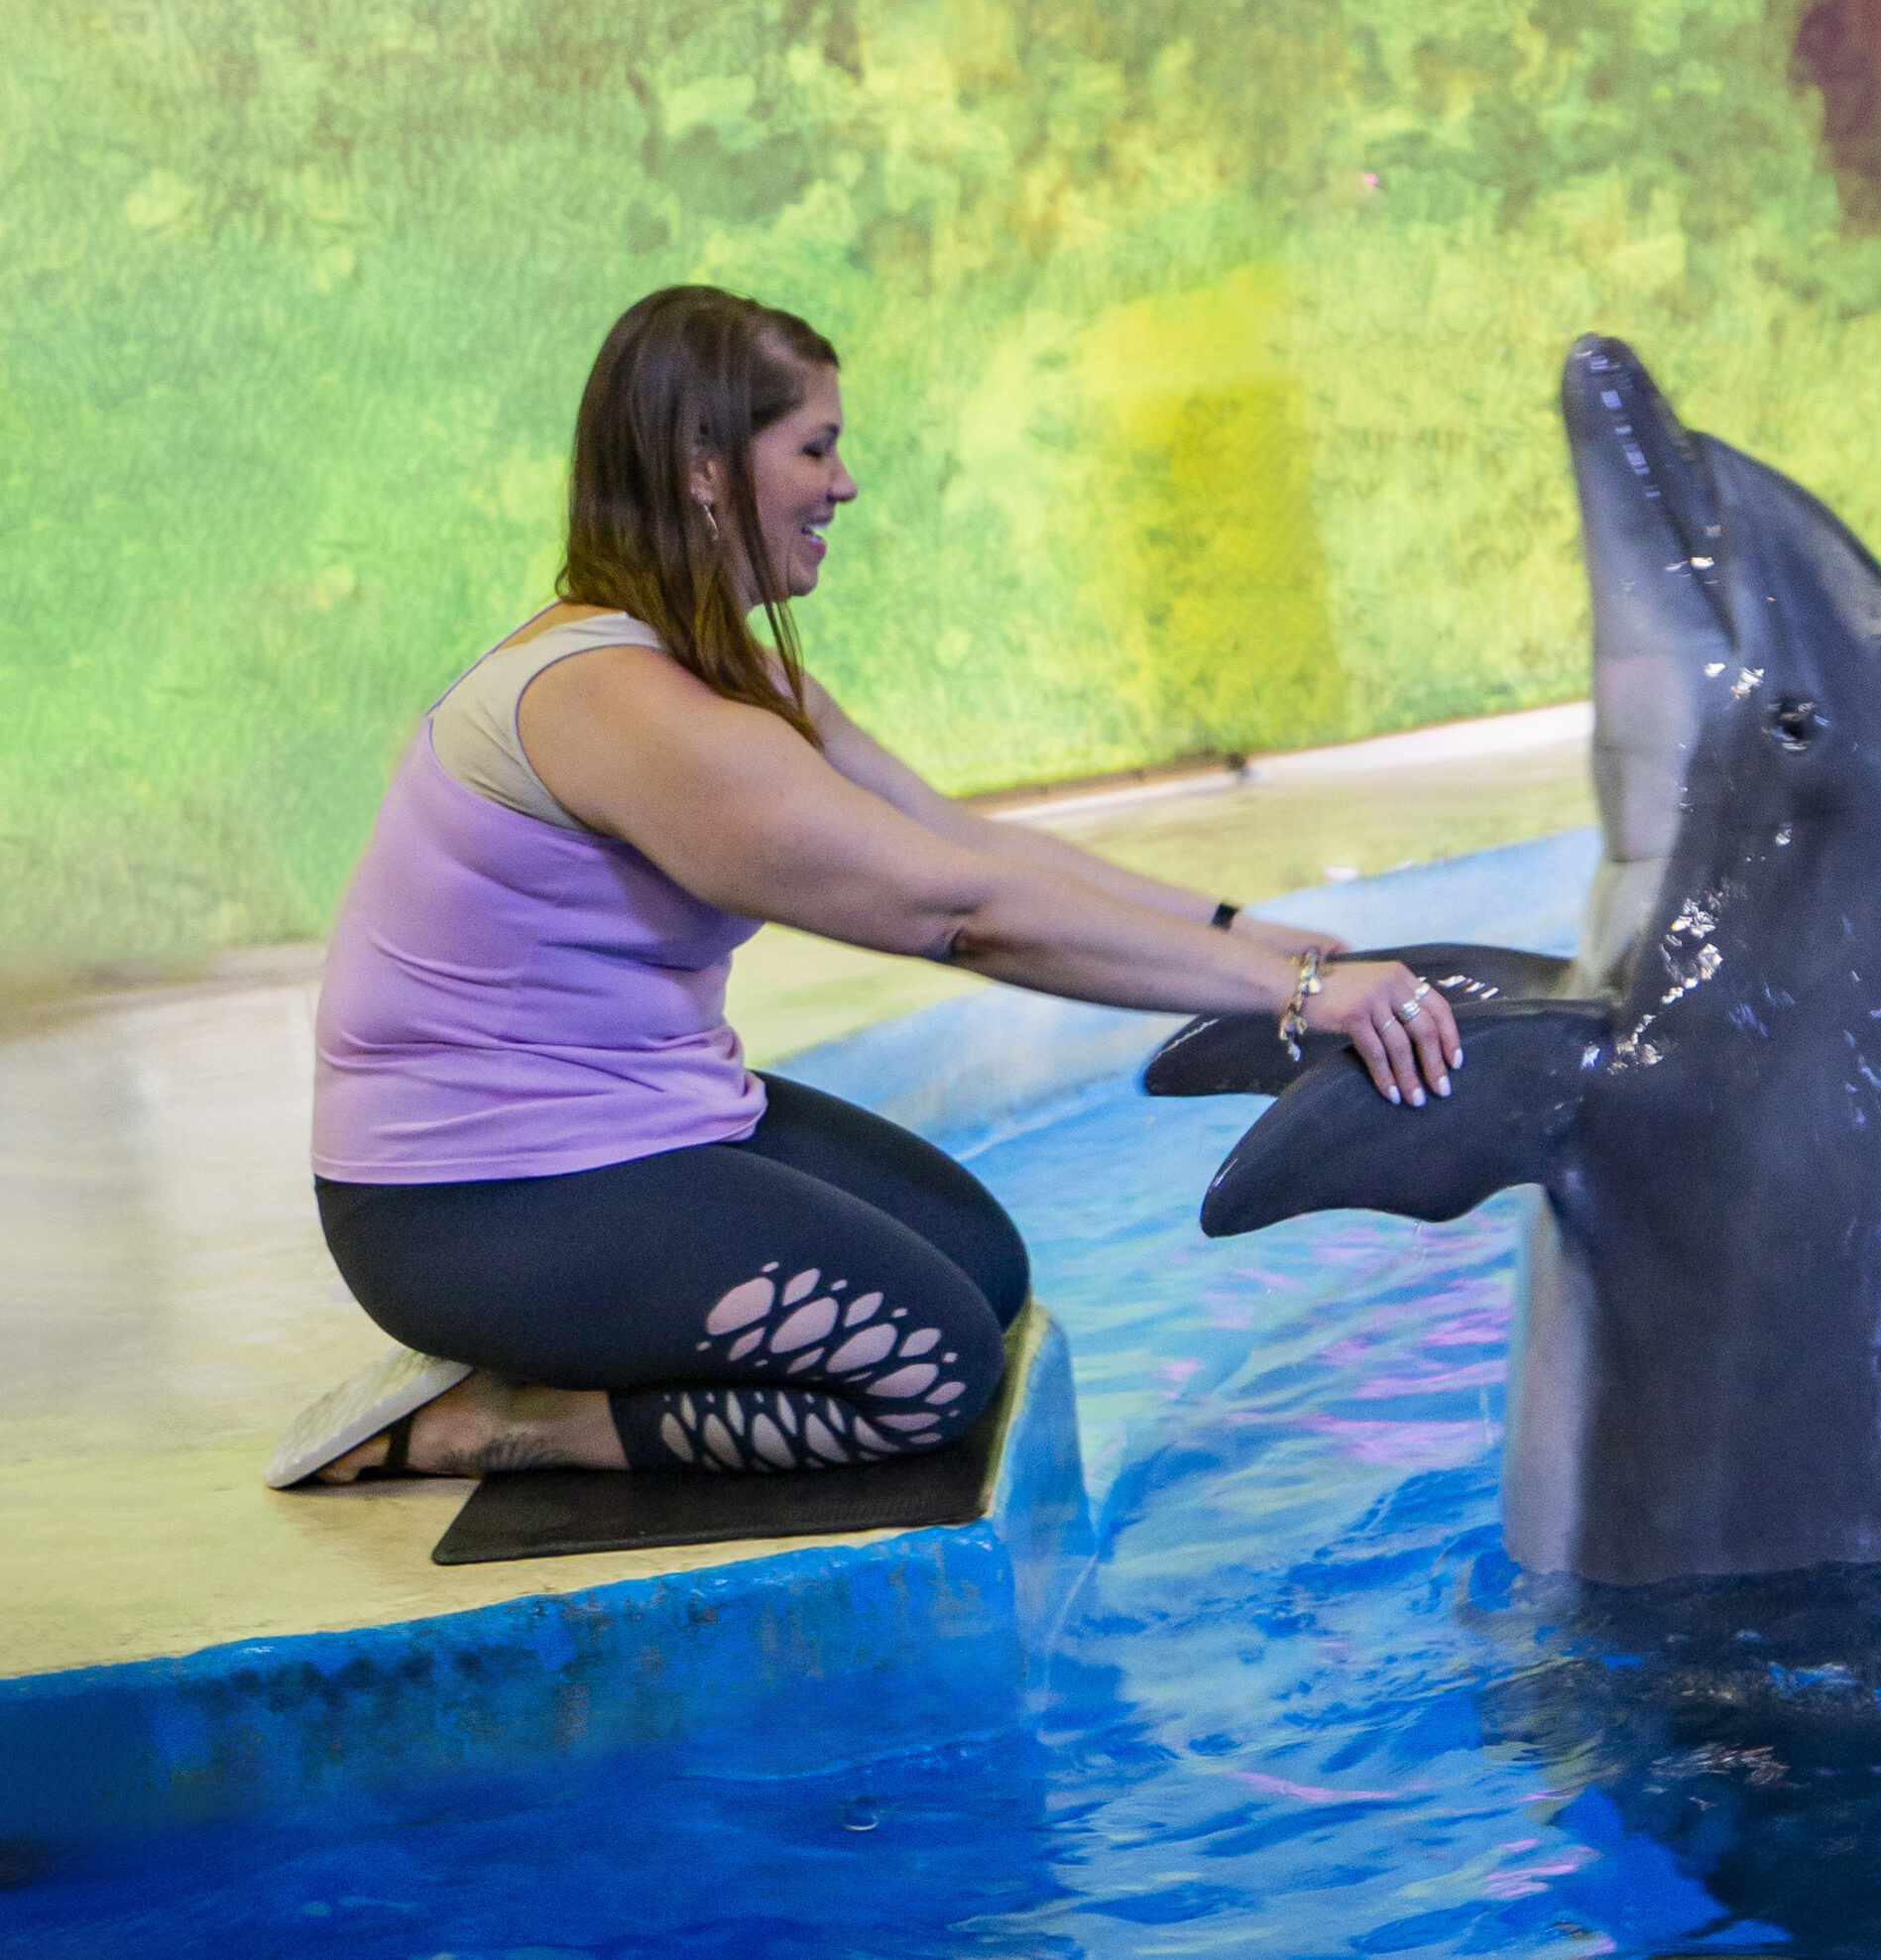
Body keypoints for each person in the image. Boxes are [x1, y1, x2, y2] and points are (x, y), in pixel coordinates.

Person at [280, 286, 1460, 1487]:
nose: (842, 483)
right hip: (466, 1203)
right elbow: (958, 914)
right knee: (927, 1370)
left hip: (623, 1129)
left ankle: (594, 1348)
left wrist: (1250, 933)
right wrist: (1299, 993)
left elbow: (955, 840)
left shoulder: (718, 670)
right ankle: (497, 1425)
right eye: (815, 446)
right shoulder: (623, 706)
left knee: (984, 1269)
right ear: (703, 466)